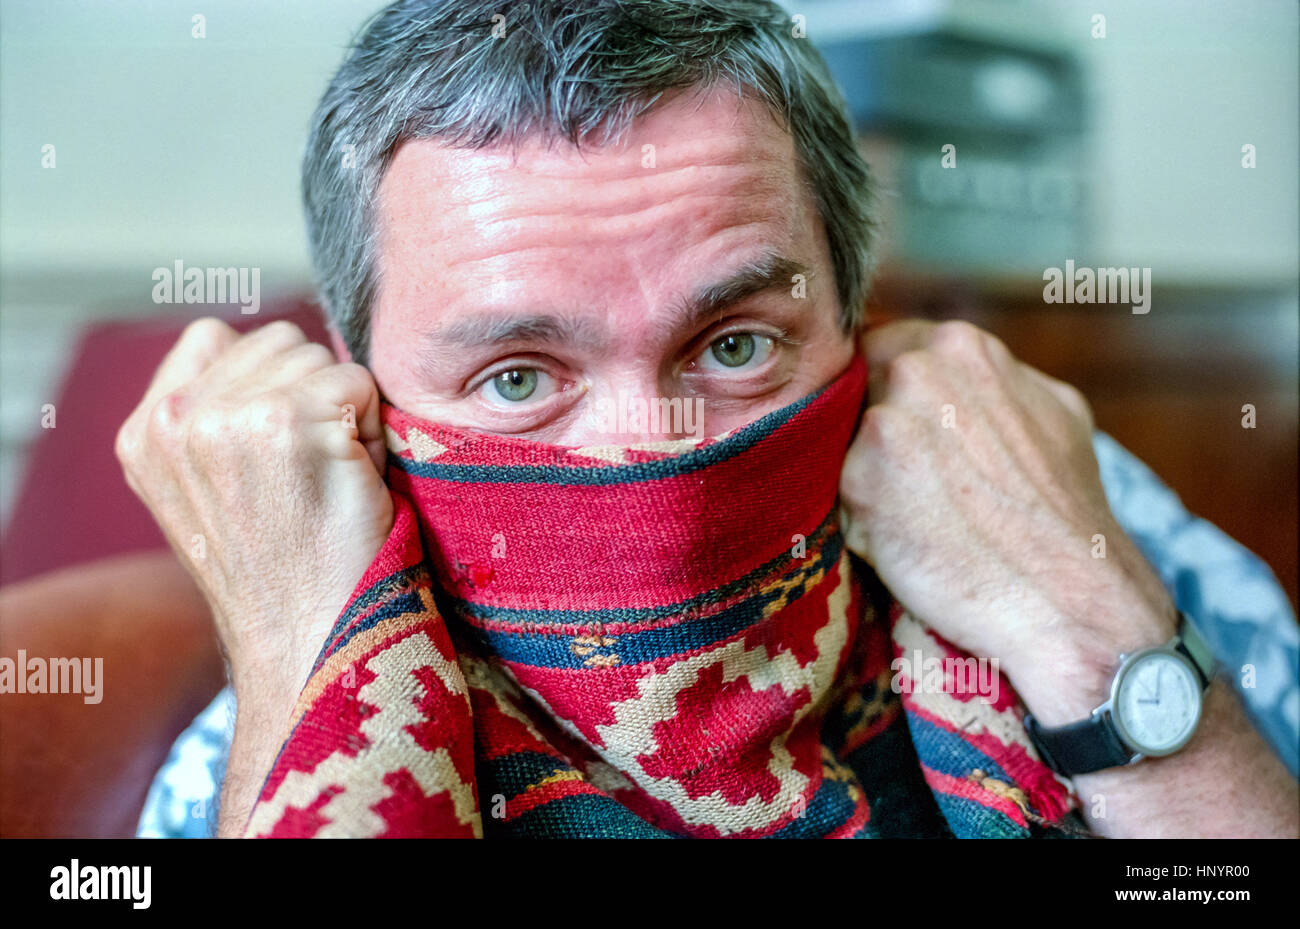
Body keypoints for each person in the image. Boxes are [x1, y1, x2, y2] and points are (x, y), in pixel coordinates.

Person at [117, 0, 1298, 838]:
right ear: (363, 391)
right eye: (519, 378)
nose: (657, 449)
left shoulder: (1069, 510)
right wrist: (303, 659)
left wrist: (1091, 625)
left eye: (734, 346)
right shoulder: (293, 717)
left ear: (855, 315)